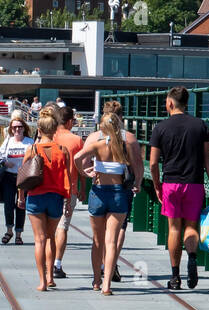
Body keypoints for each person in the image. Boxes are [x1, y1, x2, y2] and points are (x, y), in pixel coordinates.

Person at [149, 87, 209, 290]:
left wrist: (157, 185)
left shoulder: (161, 127)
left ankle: (175, 277)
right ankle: (193, 258)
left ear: (170, 103)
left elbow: (153, 163)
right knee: (191, 226)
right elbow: (208, 158)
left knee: (174, 228)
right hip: (194, 183)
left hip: (171, 183)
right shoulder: (199, 125)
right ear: (186, 103)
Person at [75, 115, 136, 296]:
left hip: (99, 192)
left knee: (97, 241)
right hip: (118, 193)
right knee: (111, 242)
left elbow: (77, 157)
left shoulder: (96, 144)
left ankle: (95, 280)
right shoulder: (124, 146)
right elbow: (135, 165)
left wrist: (84, 172)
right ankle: (107, 285)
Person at [22, 114, 77, 292]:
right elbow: (67, 178)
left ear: (39, 130)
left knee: (39, 240)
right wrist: (68, 202)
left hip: (36, 197)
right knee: (50, 237)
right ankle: (51, 276)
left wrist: (21, 197)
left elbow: (22, 176)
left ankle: (42, 282)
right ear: (55, 131)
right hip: (56, 198)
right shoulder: (63, 150)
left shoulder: (31, 149)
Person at [101, 100, 144, 282]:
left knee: (102, 229)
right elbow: (138, 165)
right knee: (120, 228)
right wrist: (139, 182)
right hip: (122, 187)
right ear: (121, 117)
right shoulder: (129, 138)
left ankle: (102, 266)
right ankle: (111, 264)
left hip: (101, 186)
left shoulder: (98, 136)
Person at [50, 106, 85, 280]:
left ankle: (46, 267)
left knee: (48, 229)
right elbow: (82, 166)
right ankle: (57, 264)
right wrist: (83, 187)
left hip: (48, 188)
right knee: (62, 227)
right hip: (68, 189)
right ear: (70, 121)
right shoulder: (77, 140)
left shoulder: (49, 136)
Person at [0, 110, 32, 245]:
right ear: (11, 129)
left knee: (21, 205)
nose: (17, 129)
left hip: (23, 178)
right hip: (9, 177)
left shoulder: (29, 142)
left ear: (24, 128)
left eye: (20, 127)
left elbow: (35, 159)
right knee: (9, 204)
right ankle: (9, 230)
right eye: (14, 127)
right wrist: (5, 162)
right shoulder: (8, 141)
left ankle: (18, 234)